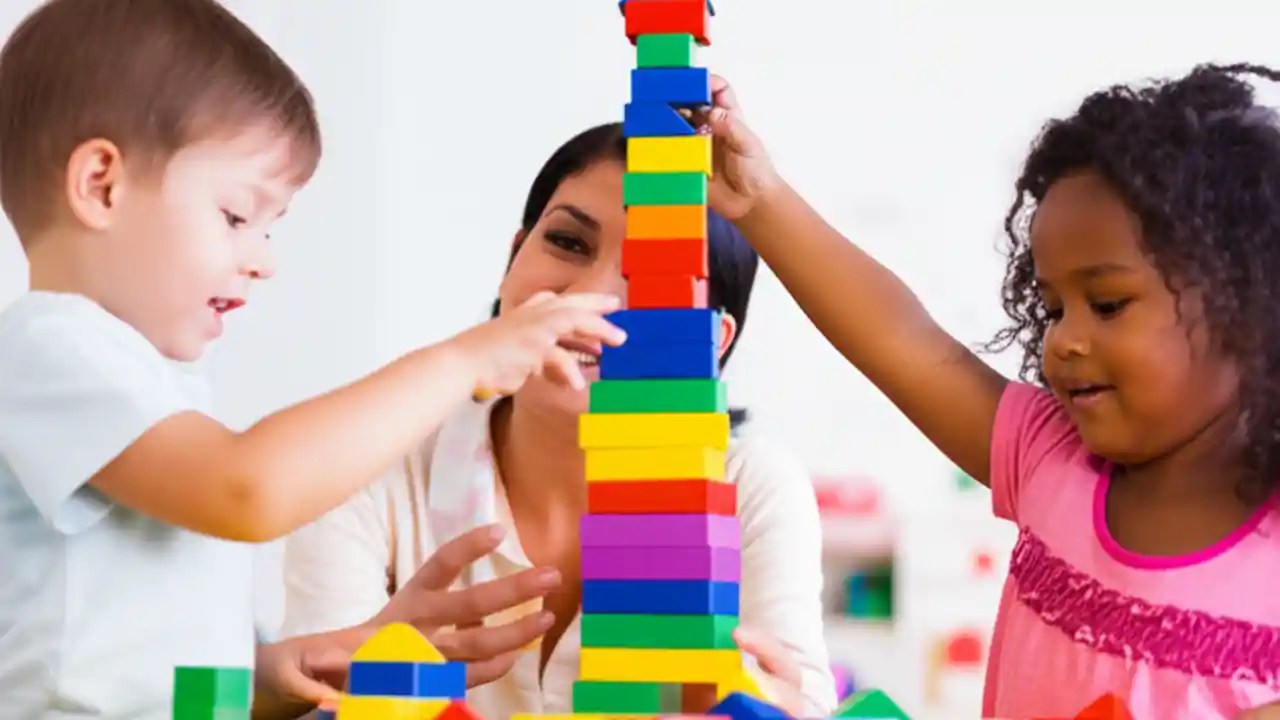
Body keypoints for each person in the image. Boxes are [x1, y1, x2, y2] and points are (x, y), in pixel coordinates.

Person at [0, 1, 623, 717]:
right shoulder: (48, 346)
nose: (263, 262)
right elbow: (248, 492)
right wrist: (464, 361)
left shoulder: (141, 384)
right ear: (100, 185)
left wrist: (291, 669)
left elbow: (148, 671)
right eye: (237, 216)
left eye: (270, 229)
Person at [694, 65, 1280, 718]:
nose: (1064, 341)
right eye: (1055, 309)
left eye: (1108, 303)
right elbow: (906, 342)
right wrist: (760, 201)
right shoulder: (1050, 458)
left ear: (1247, 307)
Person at [280, 122, 838, 718]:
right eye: (569, 243)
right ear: (514, 257)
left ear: (711, 341)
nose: (591, 298)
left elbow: (797, 694)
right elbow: (321, 698)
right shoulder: (367, 462)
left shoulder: (752, 483)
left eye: (652, 278)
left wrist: (776, 704)